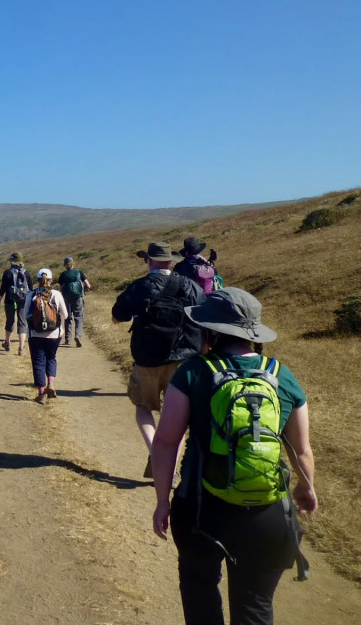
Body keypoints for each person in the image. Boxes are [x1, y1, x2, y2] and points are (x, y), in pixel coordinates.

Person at [151, 288, 316, 625]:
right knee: (255, 607)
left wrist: (163, 501)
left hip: (202, 508)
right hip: (268, 514)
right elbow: (301, 450)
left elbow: (167, 442)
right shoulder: (280, 374)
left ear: (210, 330)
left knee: (200, 594)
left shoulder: (194, 371)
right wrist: (306, 486)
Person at [112, 241, 205, 477]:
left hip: (147, 359)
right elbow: (205, 320)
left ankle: (157, 454)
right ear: (171, 261)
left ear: (148, 260)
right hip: (184, 360)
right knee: (178, 416)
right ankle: (171, 464)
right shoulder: (191, 286)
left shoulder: (140, 286)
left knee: (143, 408)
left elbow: (117, 316)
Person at [23, 268, 69, 404]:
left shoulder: (31, 294)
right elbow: (65, 315)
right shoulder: (56, 294)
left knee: (38, 362)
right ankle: (51, 383)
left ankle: (41, 394)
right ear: (51, 280)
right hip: (54, 334)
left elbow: (26, 315)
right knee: (51, 358)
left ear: (37, 280)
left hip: (35, 334)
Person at [0, 252, 34, 355]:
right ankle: (21, 348)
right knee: (22, 322)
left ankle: (7, 343)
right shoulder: (26, 273)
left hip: (10, 300)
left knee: (10, 321)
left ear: (12, 261)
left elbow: (2, 288)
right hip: (23, 300)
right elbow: (31, 289)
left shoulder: (7, 272)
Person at [58, 256, 91, 347]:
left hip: (67, 299)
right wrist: (83, 291)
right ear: (73, 264)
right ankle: (78, 336)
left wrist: (62, 297)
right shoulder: (79, 272)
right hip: (78, 298)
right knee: (78, 317)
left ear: (65, 265)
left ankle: (68, 339)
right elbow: (88, 285)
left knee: (68, 318)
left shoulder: (63, 274)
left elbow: (60, 288)